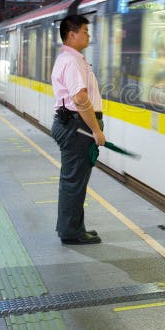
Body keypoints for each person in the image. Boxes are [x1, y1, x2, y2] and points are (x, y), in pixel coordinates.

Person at [50, 15, 106, 245]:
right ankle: (72, 232)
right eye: (84, 31)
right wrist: (96, 130)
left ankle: (74, 227)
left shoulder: (71, 59)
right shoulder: (71, 61)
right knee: (74, 182)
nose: (88, 35)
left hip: (73, 124)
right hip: (77, 126)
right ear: (71, 34)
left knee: (75, 181)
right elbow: (80, 98)